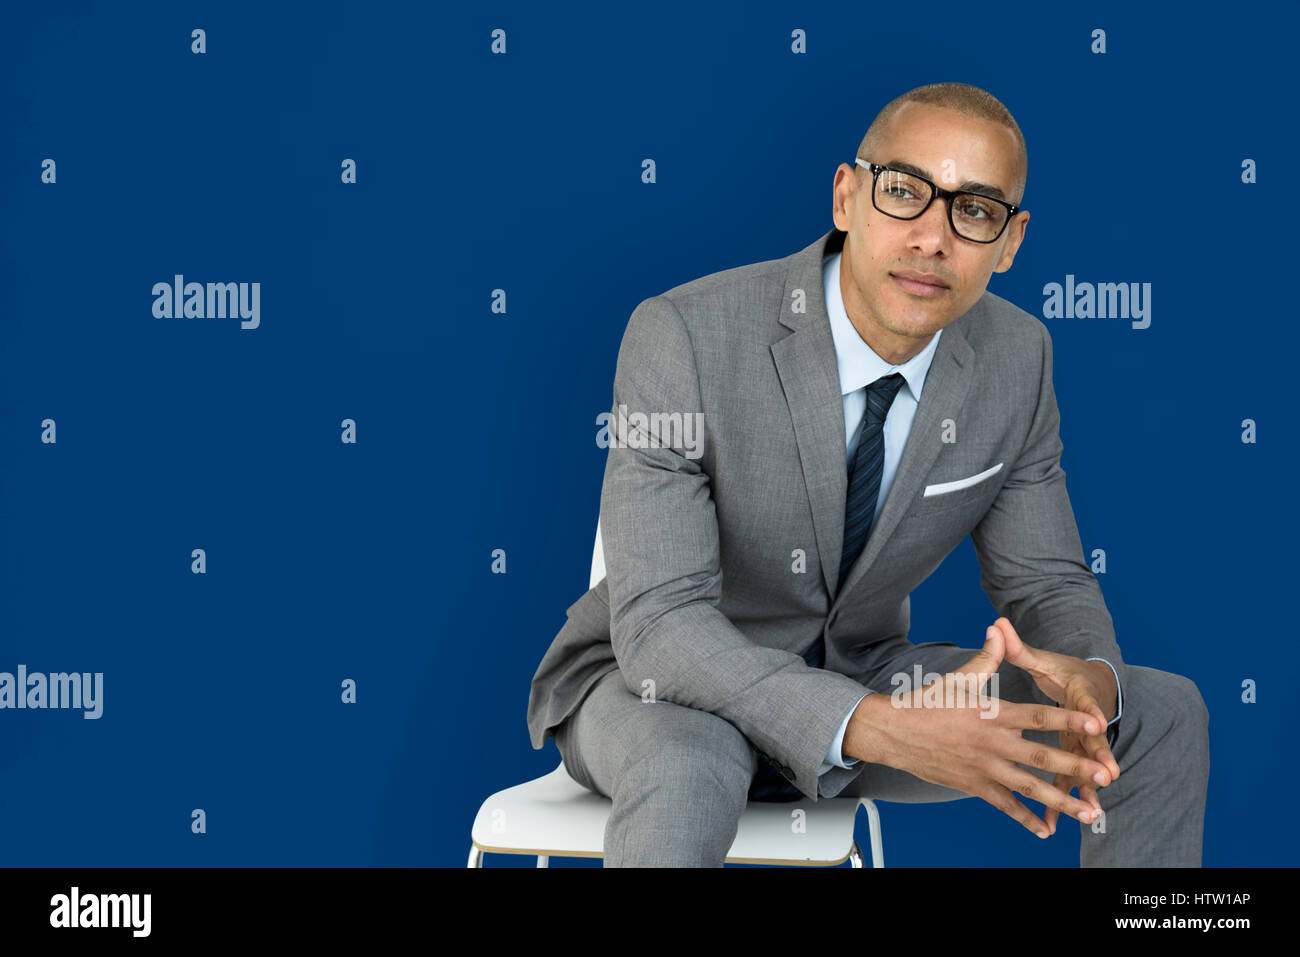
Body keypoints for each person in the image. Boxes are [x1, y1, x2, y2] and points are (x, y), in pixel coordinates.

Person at [525, 81, 1209, 867]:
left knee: (1155, 709)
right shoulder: (681, 335)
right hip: (655, 690)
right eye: (905, 193)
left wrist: (1088, 679)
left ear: (1010, 242)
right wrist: (875, 725)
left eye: (974, 210)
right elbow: (661, 626)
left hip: (868, 672)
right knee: (688, 761)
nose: (933, 238)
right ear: (847, 197)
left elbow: (1046, 582)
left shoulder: (1018, 360)